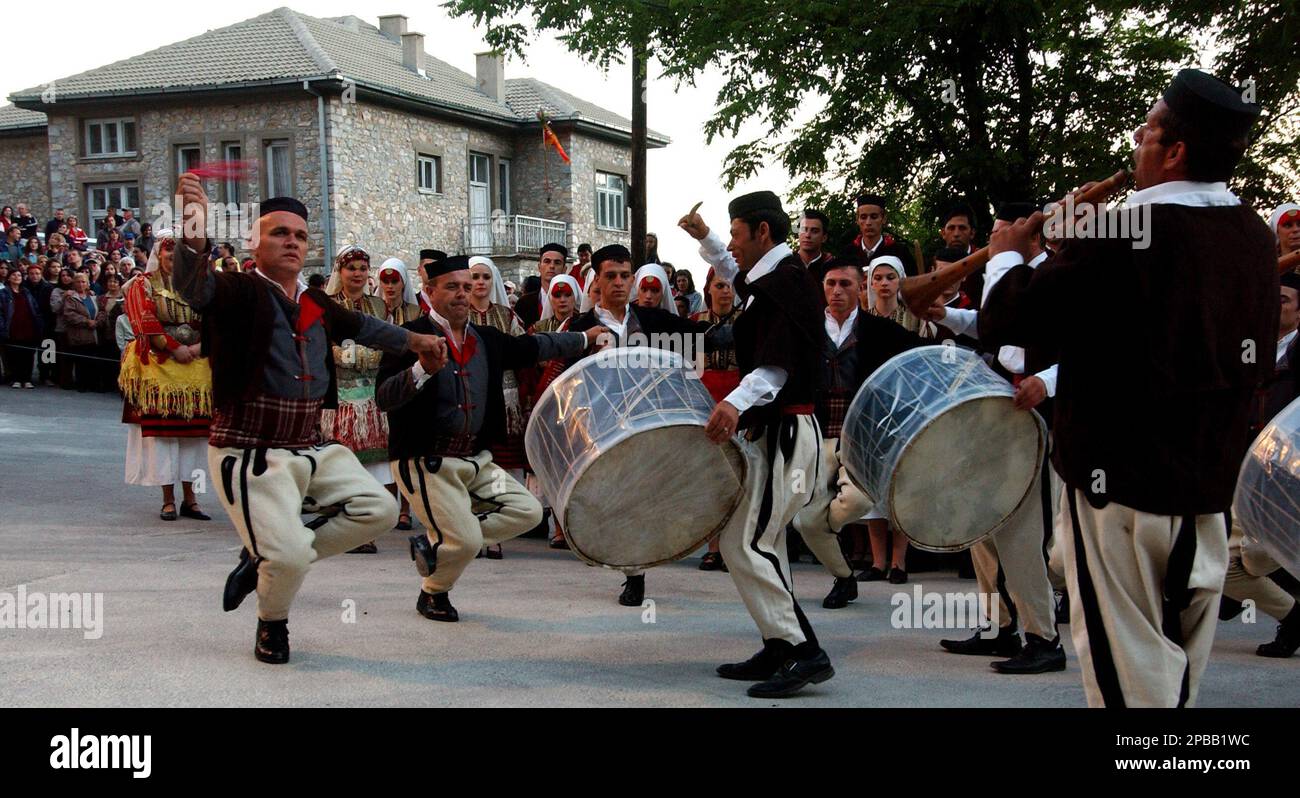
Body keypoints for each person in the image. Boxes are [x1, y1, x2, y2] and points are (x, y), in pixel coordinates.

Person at [978, 69, 1275, 707]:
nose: (1135, 144)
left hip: (1121, 490)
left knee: (1129, 690)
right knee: (1172, 687)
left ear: (1175, 153)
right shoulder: (1254, 235)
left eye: (1146, 132)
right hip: (1206, 494)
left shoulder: (1122, 228)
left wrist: (1007, 253)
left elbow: (1015, 319)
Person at [171, 175, 447, 665]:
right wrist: (194, 228)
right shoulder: (235, 290)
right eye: (279, 233)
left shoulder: (315, 302)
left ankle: (264, 556)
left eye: (299, 235)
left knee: (379, 511)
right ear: (254, 243)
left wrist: (417, 341)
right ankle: (272, 624)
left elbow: (366, 327)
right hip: (247, 449)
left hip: (307, 445)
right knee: (292, 556)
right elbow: (194, 286)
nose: (292, 242)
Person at [375, 256, 602, 622]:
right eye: (452, 287)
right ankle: (433, 592)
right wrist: (421, 369)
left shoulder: (488, 339)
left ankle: (436, 545)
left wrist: (582, 339)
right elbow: (384, 397)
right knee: (463, 540)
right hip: (425, 461)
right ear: (429, 292)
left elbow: (535, 347)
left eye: (467, 287)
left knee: (527, 512)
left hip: (475, 459)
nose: (463, 294)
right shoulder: (409, 337)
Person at [680, 191, 837, 698]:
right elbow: (734, 268)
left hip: (790, 433)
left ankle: (803, 651)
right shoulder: (775, 275)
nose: (735, 247)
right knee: (757, 543)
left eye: (737, 233)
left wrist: (734, 403)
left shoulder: (786, 282)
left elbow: (776, 364)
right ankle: (779, 644)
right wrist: (706, 239)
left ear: (762, 233)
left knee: (745, 543)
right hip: (778, 432)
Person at [926, 202, 1068, 675]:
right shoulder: (1010, 276)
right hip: (999, 414)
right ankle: (999, 625)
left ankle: (1044, 638)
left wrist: (1046, 381)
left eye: (1005, 231)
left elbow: (1094, 349)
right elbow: (994, 330)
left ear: (1033, 234)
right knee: (982, 526)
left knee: (1024, 536)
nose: (996, 239)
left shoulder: (1059, 274)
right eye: (995, 231)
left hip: (1038, 418)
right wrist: (946, 315)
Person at [567, 246, 735, 605]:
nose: (619, 282)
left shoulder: (655, 322)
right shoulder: (580, 329)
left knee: (639, 497)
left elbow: (704, 336)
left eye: (625, 275)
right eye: (610, 275)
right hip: (599, 429)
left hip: (644, 425)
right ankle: (618, 556)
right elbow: (563, 383)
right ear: (596, 279)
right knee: (607, 499)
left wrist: (752, 325)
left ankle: (635, 572)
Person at [1222, 270, 1300, 657]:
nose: (1273, 307)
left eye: (1283, 300)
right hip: (1253, 479)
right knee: (1234, 564)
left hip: (1289, 482)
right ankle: (1292, 614)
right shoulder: (1252, 350)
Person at [118, 233, 213, 521]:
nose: (174, 261)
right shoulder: (142, 284)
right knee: (163, 437)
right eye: (170, 256)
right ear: (159, 256)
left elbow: (212, 318)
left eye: (179, 257)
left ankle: (192, 499)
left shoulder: (197, 285)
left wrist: (198, 346)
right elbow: (144, 321)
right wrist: (174, 348)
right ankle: (168, 499)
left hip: (196, 365)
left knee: (195, 438)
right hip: (160, 365)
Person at [319, 244, 400, 553]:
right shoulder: (327, 305)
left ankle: (365, 529)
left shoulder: (379, 307)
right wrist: (338, 353)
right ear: (340, 272)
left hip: (370, 393)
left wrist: (371, 354)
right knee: (341, 464)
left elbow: (389, 338)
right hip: (338, 393)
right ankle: (342, 526)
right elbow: (319, 340)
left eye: (363, 269)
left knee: (371, 467)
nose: (357, 273)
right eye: (351, 268)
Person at [527, 273, 583, 550]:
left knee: (573, 464)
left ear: (575, 298)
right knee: (552, 463)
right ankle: (557, 528)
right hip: (547, 402)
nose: (562, 300)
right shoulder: (538, 327)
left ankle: (571, 527)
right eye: (557, 295)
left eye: (567, 295)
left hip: (575, 402)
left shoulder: (583, 325)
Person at [60, 272, 106, 392]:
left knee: (92, 361)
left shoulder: (93, 297)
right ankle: (82, 384)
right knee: (80, 361)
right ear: (74, 284)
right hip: (78, 335)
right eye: (78, 282)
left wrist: (97, 321)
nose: (81, 284)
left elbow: (101, 311)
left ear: (88, 283)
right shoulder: (71, 298)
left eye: (83, 282)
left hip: (94, 334)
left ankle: (93, 384)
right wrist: (86, 321)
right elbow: (69, 315)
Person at [0, 267, 44, 388]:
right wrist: (2, 327)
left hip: (28, 327)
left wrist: (38, 324)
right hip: (12, 328)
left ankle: (27, 378)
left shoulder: (26, 292)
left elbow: (35, 309)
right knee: (14, 354)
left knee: (28, 354)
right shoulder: (3, 293)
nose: (16, 277)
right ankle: (16, 378)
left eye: (19, 275)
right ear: (9, 278)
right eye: (13, 275)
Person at [850, 193, 915, 274]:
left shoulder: (899, 252)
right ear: (857, 220)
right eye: (863, 217)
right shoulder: (848, 253)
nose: (868, 222)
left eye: (874, 217)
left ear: (883, 219)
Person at [515, 243, 566, 328]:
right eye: (547, 261)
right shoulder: (524, 303)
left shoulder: (570, 302)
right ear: (539, 267)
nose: (552, 266)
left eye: (557, 262)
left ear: (564, 269)